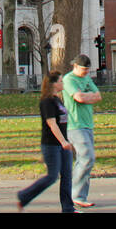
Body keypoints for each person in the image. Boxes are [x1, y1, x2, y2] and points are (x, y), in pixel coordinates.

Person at [16, 69, 75, 213]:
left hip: (63, 144)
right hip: (51, 145)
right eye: (60, 81)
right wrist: (63, 142)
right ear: (54, 84)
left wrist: (67, 141)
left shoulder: (57, 99)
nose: (62, 83)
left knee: (67, 176)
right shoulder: (47, 101)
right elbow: (52, 123)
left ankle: (68, 208)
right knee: (52, 176)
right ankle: (24, 196)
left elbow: (62, 123)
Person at [61, 53, 101, 209]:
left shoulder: (87, 79)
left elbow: (98, 96)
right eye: (83, 70)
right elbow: (79, 98)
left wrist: (88, 96)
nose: (85, 73)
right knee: (87, 157)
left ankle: (79, 194)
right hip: (75, 125)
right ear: (75, 66)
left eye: (87, 70)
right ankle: (76, 195)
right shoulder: (69, 79)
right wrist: (87, 96)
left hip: (88, 124)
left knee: (84, 160)